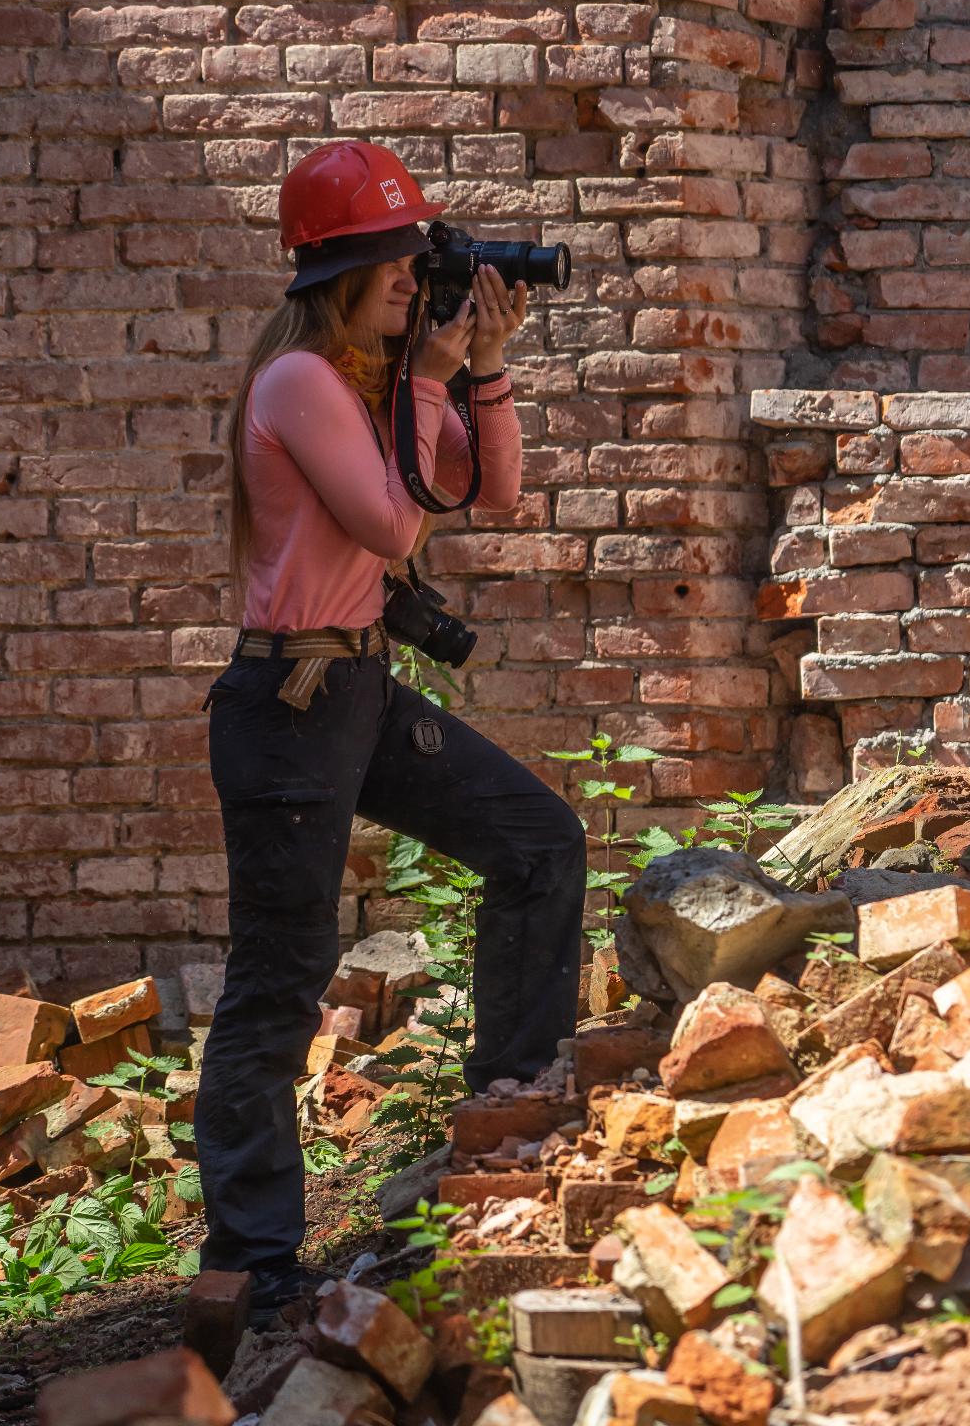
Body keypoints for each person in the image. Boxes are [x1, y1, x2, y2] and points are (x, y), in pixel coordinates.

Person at [194, 139, 588, 1317]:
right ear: (339, 274)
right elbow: (391, 526)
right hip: (290, 704)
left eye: (420, 258)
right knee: (282, 976)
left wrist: (485, 364)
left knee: (539, 842)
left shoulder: (378, 378)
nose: (416, 278)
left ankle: (507, 1116)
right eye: (394, 260)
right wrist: (429, 376)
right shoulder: (301, 381)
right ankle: (256, 1260)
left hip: (359, 687)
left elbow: (495, 491)